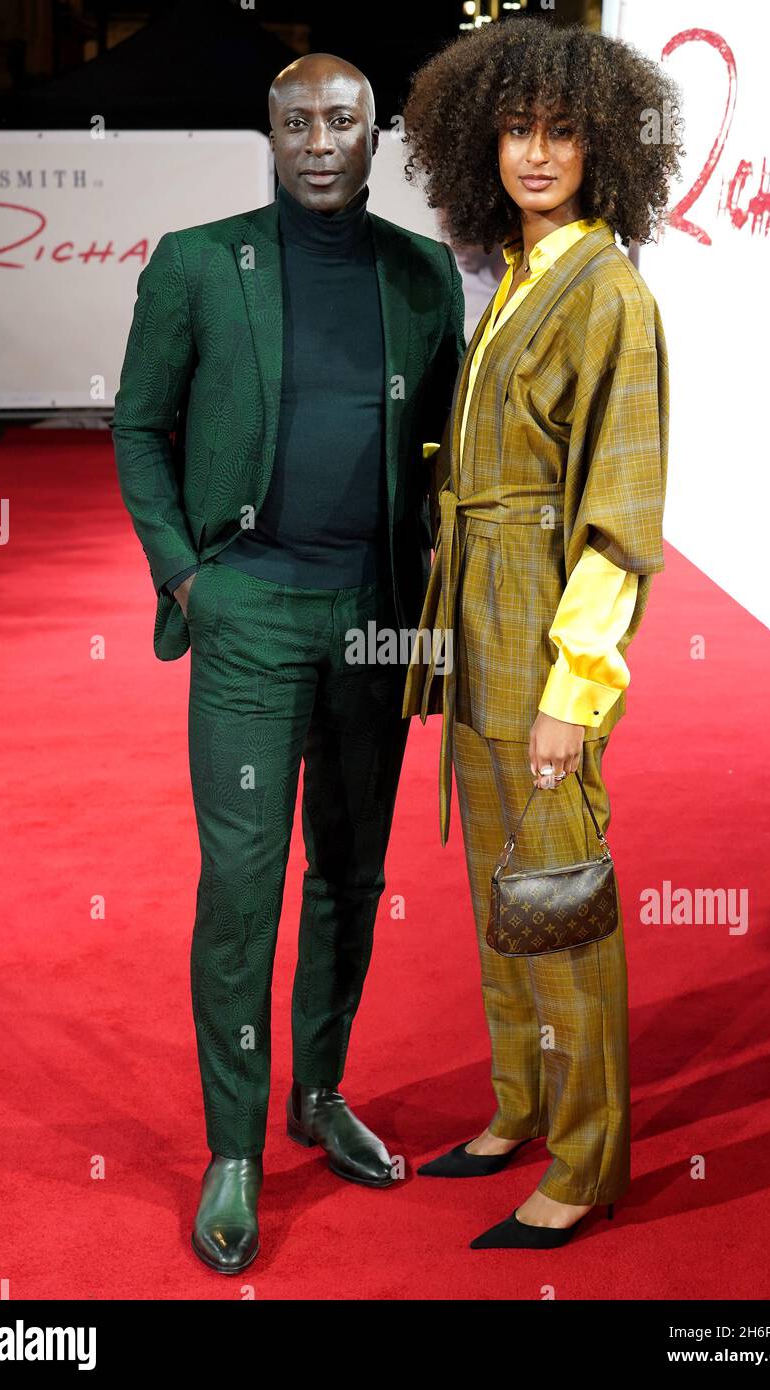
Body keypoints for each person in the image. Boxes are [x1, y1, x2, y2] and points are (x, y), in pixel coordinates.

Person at [112, 52, 464, 1273]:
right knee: (244, 885)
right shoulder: (201, 263)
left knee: (352, 875)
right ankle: (235, 1148)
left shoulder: (422, 280)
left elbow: (434, 469)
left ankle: (320, 1093)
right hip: (247, 611)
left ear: (381, 136)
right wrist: (185, 577)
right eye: (298, 120)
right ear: (268, 130)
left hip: (374, 617)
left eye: (344, 121)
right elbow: (139, 426)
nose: (320, 141)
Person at [401, 18, 681, 1248]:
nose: (535, 152)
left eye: (562, 131)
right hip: (472, 612)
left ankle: (586, 1156)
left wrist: (577, 687)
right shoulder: (514, 272)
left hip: (542, 619)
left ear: (601, 145)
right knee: (497, 876)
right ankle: (519, 1101)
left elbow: (619, 520)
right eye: (517, 128)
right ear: (483, 139)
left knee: (558, 888)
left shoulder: (607, 290)